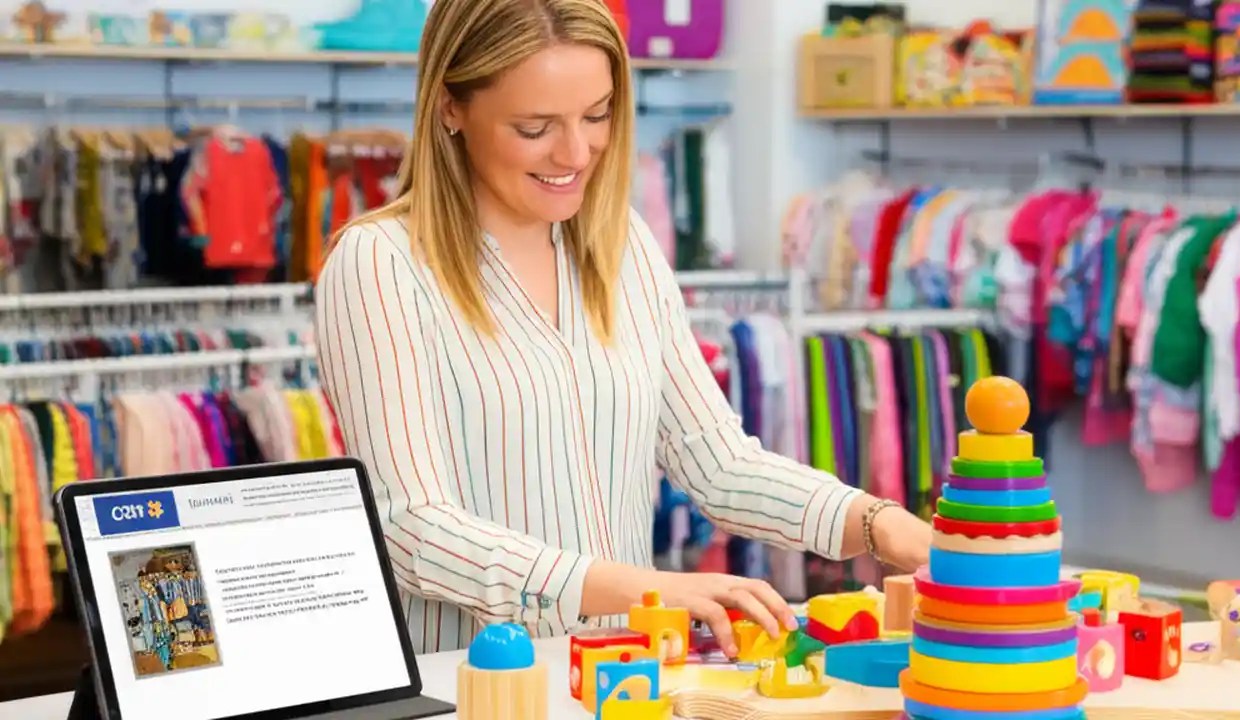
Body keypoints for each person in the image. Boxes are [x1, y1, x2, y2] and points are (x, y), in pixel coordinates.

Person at [313, 0, 933, 657]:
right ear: (449, 108)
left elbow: (719, 463)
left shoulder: (622, 246)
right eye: (534, 127)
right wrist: (640, 589)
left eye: (597, 115)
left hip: (627, 677)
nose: (576, 152)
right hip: (479, 683)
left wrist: (878, 523)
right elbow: (414, 527)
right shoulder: (381, 263)